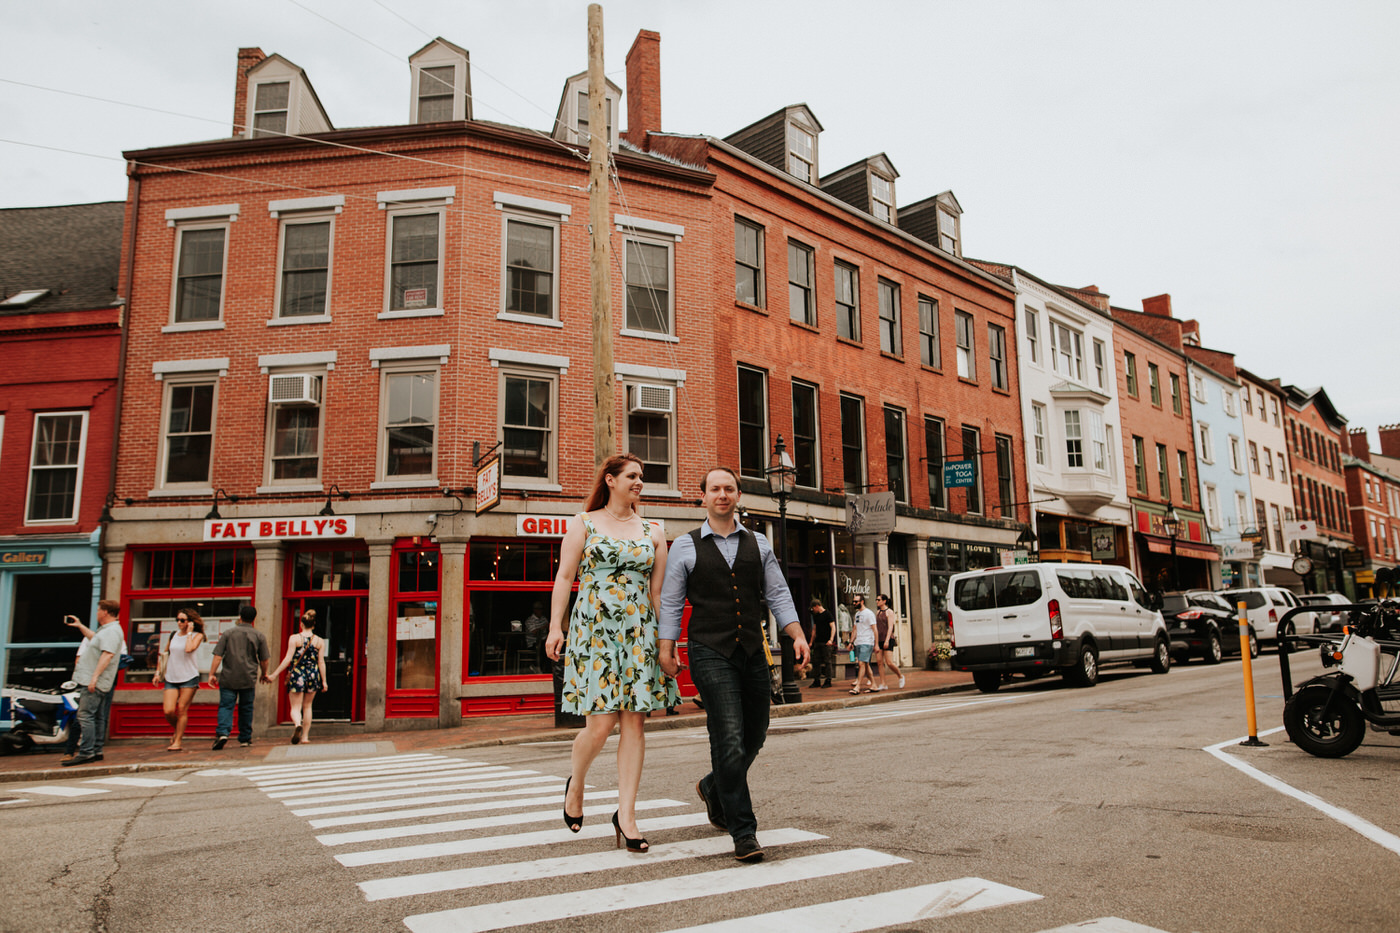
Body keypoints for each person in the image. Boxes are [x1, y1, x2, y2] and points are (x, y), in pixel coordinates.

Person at [659, 467, 810, 863]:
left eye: (729, 488)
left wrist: (797, 634)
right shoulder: (686, 547)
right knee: (728, 735)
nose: (722, 494)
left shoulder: (758, 543)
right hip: (708, 650)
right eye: (714, 489)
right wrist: (666, 647)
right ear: (703, 497)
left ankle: (713, 786)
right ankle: (744, 832)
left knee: (756, 731)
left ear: (738, 495)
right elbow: (672, 602)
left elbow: (777, 594)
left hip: (751, 649)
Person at [545, 453, 679, 855]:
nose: (639, 482)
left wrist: (666, 643)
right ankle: (577, 782)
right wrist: (556, 626)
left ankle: (627, 815)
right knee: (600, 727)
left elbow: (658, 594)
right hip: (595, 633)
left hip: (639, 634)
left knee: (634, 726)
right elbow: (565, 577)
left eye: (642, 476)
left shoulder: (654, 531)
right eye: (632, 476)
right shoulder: (584, 522)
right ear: (610, 480)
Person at [62, 600, 125, 766]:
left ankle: (86, 752)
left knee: (85, 715)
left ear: (105, 612)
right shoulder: (107, 631)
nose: (97, 613)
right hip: (97, 680)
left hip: (95, 681)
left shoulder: (112, 631)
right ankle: (96, 751)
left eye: (98, 610)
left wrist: (94, 677)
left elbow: (107, 654)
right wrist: (80, 626)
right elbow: (96, 640)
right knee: (97, 716)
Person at [208, 605, 271, 749]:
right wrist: (264, 673)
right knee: (246, 708)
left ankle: (223, 733)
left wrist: (212, 674)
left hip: (229, 677)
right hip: (248, 677)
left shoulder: (228, 633)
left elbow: (218, 656)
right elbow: (264, 659)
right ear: (254, 619)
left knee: (226, 706)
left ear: (240, 617)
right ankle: (245, 738)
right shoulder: (259, 636)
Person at [268, 609, 327, 745]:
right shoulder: (319, 641)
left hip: (297, 674)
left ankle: (296, 725)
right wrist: (324, 681)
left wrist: (274, 674)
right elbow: (321, 662)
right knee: (308, 706)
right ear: (313, 625)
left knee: (295, 707)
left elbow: (288, 659)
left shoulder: (294, 638)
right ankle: (305, 737)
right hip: (313, 674)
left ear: (301, 624)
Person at [156, 608, 205, 751]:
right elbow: (165, 654)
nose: (179, 623)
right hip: (171, 676)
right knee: (168, 711)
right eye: (177, 620)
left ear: (190, 622)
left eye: (182, 620)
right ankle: (178, 730)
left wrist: (189, 632)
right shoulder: (173, 635)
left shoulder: (197, 635)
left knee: (182, 709)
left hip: (189, 677)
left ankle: (177, 741)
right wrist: (157, 672)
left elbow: (189, 649)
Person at [872, 593, 905, 690]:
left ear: (884, 601)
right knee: (879, 662)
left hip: (888, 639)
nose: (877, 601)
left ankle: (900, 676)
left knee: (889, 662)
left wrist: (887, 640)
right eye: (876, 600)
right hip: (880, 639)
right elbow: (876, 628)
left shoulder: (889, 612)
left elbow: (890, 627)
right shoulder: (877, 612)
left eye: (879, 600)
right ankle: (883, 683)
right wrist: (876, 643)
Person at [847, 594, 878, 695]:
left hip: (867, 642)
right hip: (858, 642)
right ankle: (874, 685)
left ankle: (858, 686)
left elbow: (875, 629)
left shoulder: (869, 613)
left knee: (861, 664)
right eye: (854, 602)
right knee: (866, 664)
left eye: (856, 602)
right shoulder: (857, 614)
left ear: (862, 602)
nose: (854, 603)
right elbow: (855, 629)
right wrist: (851, 642)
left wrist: (876, 644)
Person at [808, 597, 835, 688]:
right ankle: (817, 680)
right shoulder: (816, 616)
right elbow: (814, 629)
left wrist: (831, 639)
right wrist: (811, 642)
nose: (813, 610)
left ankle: (828, 680)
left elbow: (833, 627)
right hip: (818, 641)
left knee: (827, 661)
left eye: (813, 608)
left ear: (817, 606)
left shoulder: (827, 614)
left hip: (826, 642)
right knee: (816, 662)